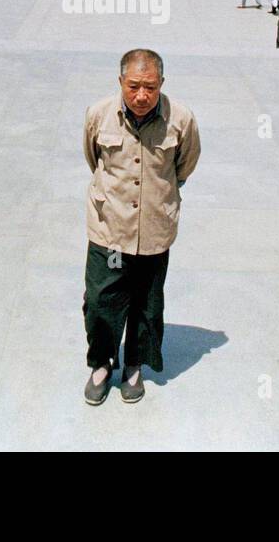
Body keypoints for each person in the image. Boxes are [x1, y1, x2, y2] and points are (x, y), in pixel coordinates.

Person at [82, 49, 200, 405]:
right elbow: (93, 159)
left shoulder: (180, 119)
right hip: (109, 231)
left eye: (150, 87)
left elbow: (185, 165)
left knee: (146, 303)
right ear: (120, 82)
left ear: (161, 84)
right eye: (133, 86)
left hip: (153, 229)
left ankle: (133, 364)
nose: (141, 96)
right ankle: (101, 364)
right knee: (102, 300)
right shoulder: (99, 115)